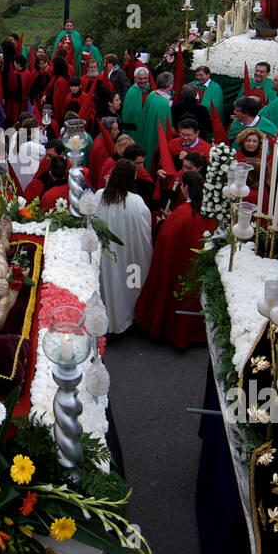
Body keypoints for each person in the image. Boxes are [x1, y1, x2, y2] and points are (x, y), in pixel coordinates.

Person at [134, 170, 216, 349]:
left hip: (177, 265)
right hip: (196, 265)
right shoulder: (206, 211)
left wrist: (162, 223)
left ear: (186, 187)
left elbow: (166, 239)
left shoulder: (182, 213)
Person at [92, 159, 153, 333]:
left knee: (107, 286)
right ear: (132, 178)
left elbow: (90, 224)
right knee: (126, 287)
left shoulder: (99, 196)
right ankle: (125, 318)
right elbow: (144, 234)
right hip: (127, 256)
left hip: (104, 254)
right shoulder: (136, 202)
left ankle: (106, 320)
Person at [137, 72, 174, 170]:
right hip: (155, 142)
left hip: (146, 136)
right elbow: (164, 129)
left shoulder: (152, 94)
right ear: (170, 84)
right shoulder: (163, 103)